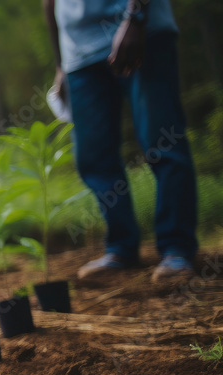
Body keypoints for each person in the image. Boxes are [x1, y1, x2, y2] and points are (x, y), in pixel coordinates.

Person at [44, 0, 199, 281]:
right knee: (94, 158)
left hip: (141, 30)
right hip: (78, 54)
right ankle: (121, 248)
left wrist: (136, 16)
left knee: (162, 142)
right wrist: (60, 64)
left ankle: (176, 248)